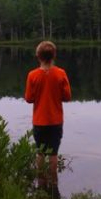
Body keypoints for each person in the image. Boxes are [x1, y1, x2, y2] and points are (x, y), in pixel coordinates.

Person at [24, 40, 72, 189]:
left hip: (39, 121)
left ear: (38, 56)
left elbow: (29, 99)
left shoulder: (32, 75)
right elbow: (67, 97)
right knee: (53, 154)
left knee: (40, 153)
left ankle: (41, 182)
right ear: (54, 55)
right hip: (56, 121)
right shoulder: (61, 73)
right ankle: (54, 183)